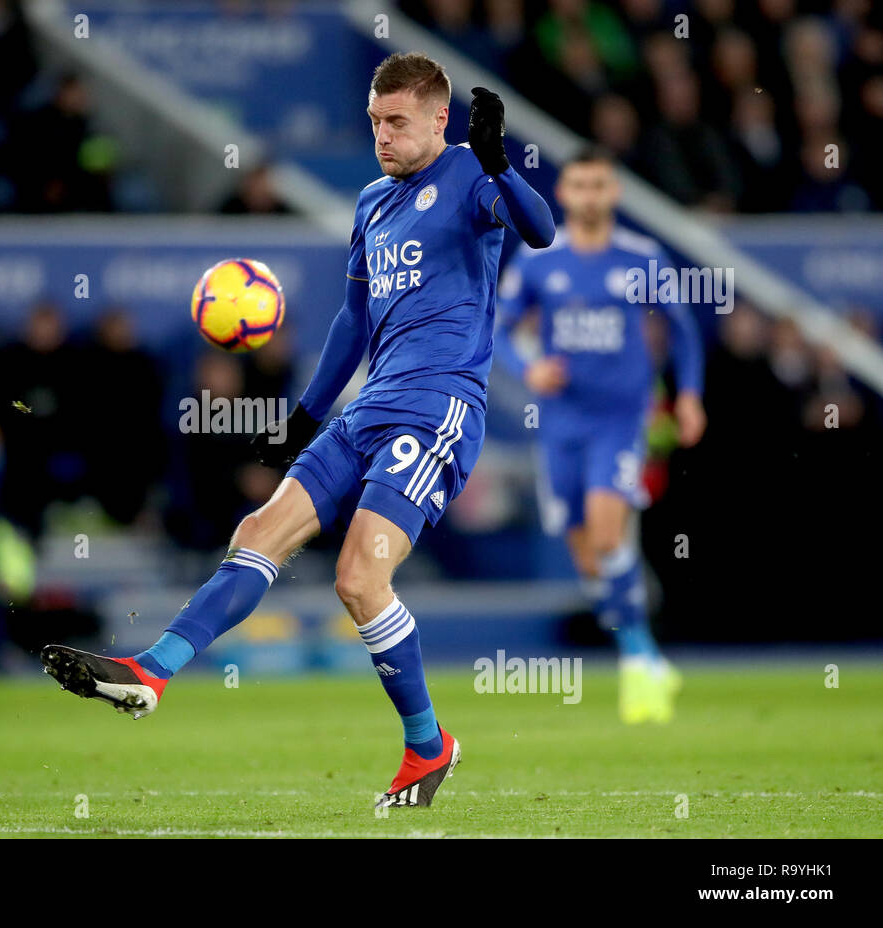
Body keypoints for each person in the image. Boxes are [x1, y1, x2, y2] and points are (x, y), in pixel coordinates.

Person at [42, 53, 555, 809]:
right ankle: (151, 670)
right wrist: (306, 417)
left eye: (397, 121)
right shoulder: (374, 201)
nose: (381, 135)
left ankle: (428, 746)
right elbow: (354, 317)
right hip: (369, 406)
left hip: (438, 405)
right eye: (375, 120)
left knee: (358, 578)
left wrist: (500, 164)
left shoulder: (473, 181)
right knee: (258, 529)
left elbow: (539, 231)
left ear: (438, 120)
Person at [494, 145, 706, 724]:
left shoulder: (639, 258)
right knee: (588, 559)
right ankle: (644, 653)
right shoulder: (540, 261)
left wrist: (687, 395)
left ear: (614, 193)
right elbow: (503, 329)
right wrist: (528, 368)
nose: (590, 196)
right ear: (563, 194)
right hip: (561, 424)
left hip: (620, 420)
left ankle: (638, 659)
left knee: (610, 536)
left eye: (599, 186)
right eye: (580, 186)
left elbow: (682, 331)